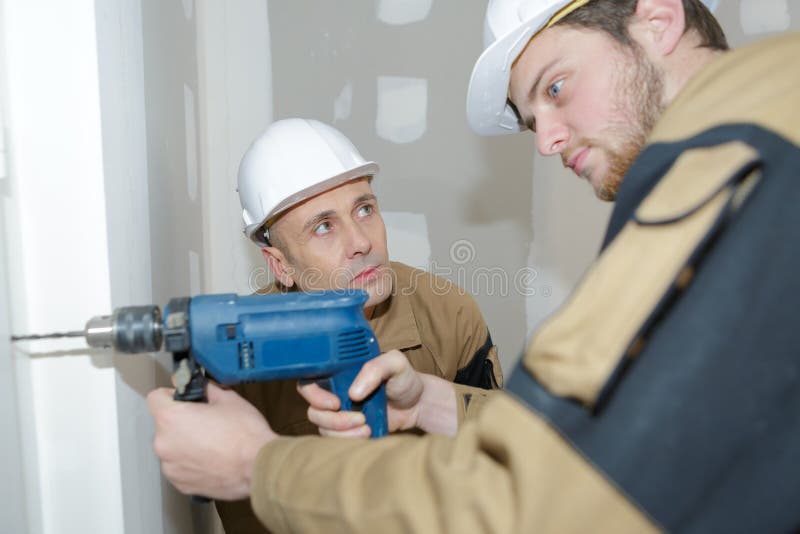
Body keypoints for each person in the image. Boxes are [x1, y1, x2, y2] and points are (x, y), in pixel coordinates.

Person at [147, 1, 800, 532]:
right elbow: (628, 439)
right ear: (276, 262)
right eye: (531, 117)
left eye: (557, 87)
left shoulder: (726, 181)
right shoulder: (768, 123)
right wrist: (433, 402)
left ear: (658, 20)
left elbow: (534, 500)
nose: (544, 142)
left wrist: (259, 467)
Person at [213, 118, 503, 533]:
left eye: (364, 209)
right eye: (324, 226)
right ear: (280, 265)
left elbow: (503, 470)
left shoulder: (448, 313)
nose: (361, 242)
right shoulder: (243, 354)